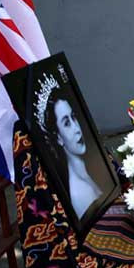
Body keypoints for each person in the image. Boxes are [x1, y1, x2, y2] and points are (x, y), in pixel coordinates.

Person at [44, 90, 103, 218]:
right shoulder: (80, 192)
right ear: (58, 137)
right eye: (66, 123)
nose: (77, 129)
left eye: (74, 117)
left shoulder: (92, 171)